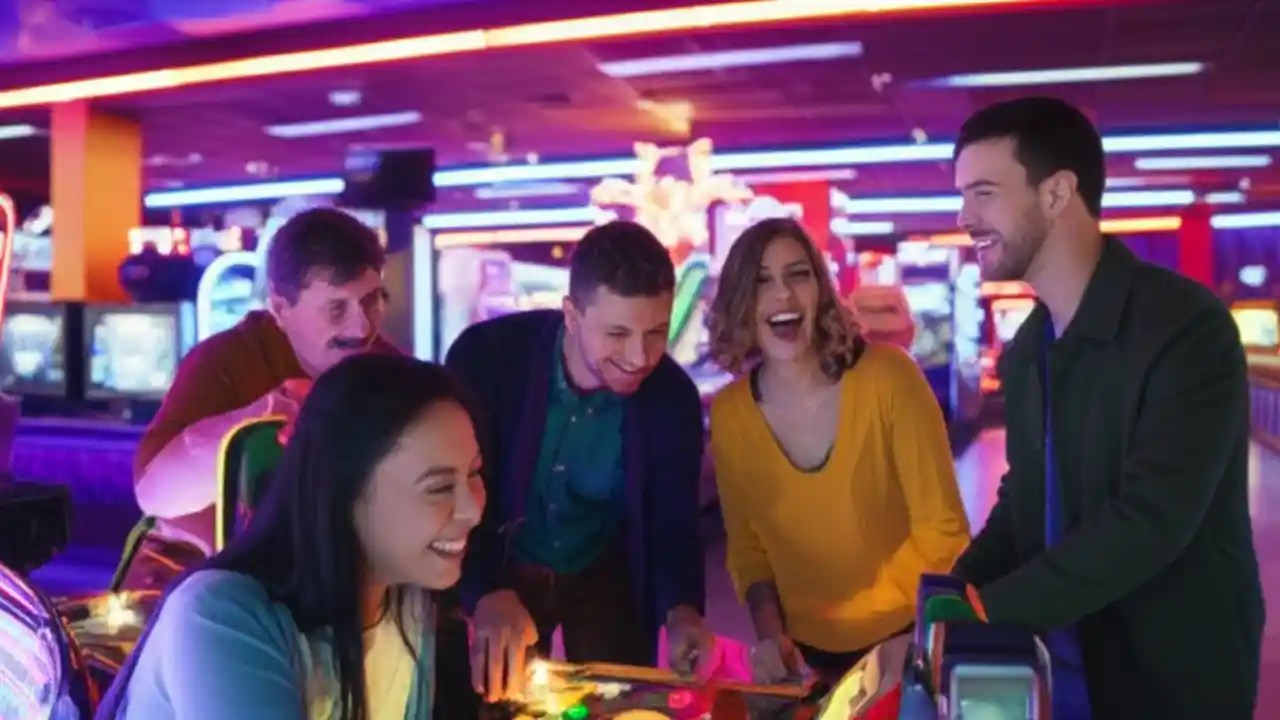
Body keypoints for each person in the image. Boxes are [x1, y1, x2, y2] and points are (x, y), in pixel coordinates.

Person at [950, 96, 1263, 718]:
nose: (965, 217)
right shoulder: (1029, 346)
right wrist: (951, 592)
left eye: (983, 192)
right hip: (1062, 663)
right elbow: (1025, 498)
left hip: (1173, 674)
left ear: (1057, 192)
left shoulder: (1184, 327)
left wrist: (988, 610)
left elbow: (1150, 522)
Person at [95, 354, 485, 719]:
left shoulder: (407, 604)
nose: (473, 509)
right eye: (439, 487)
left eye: (474, 475)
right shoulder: (221, 616)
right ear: (344, 490)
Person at [445, 220, 708, 698]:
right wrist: (483, 589)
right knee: (491, 700)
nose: (639, 356)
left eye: (656, 332)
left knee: (623, 705)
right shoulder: (487, 358)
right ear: (571, 314)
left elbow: (673, 526)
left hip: (606, 568)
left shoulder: (672, 397)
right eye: (617, 333)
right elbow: (451, 493)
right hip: (504, 560)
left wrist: (683, 610)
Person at [706, 217, 970, 686]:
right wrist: (771, 639)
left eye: (798, 275)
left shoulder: (889, 378)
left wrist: (883, 632)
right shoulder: (731, 414)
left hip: (908, 638)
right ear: (741, 304)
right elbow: (749, 553)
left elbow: (944, 532)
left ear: (821, 291)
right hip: (805, 659)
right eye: (762, 281)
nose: (783, 295)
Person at [125, 207, 396, 589]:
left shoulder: (390, 369)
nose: (362, 326)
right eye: (337, 308)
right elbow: (156, 494)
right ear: (281, 309)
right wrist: (266, 412)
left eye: (372, 300)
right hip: (200, 589)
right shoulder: (227, 359)